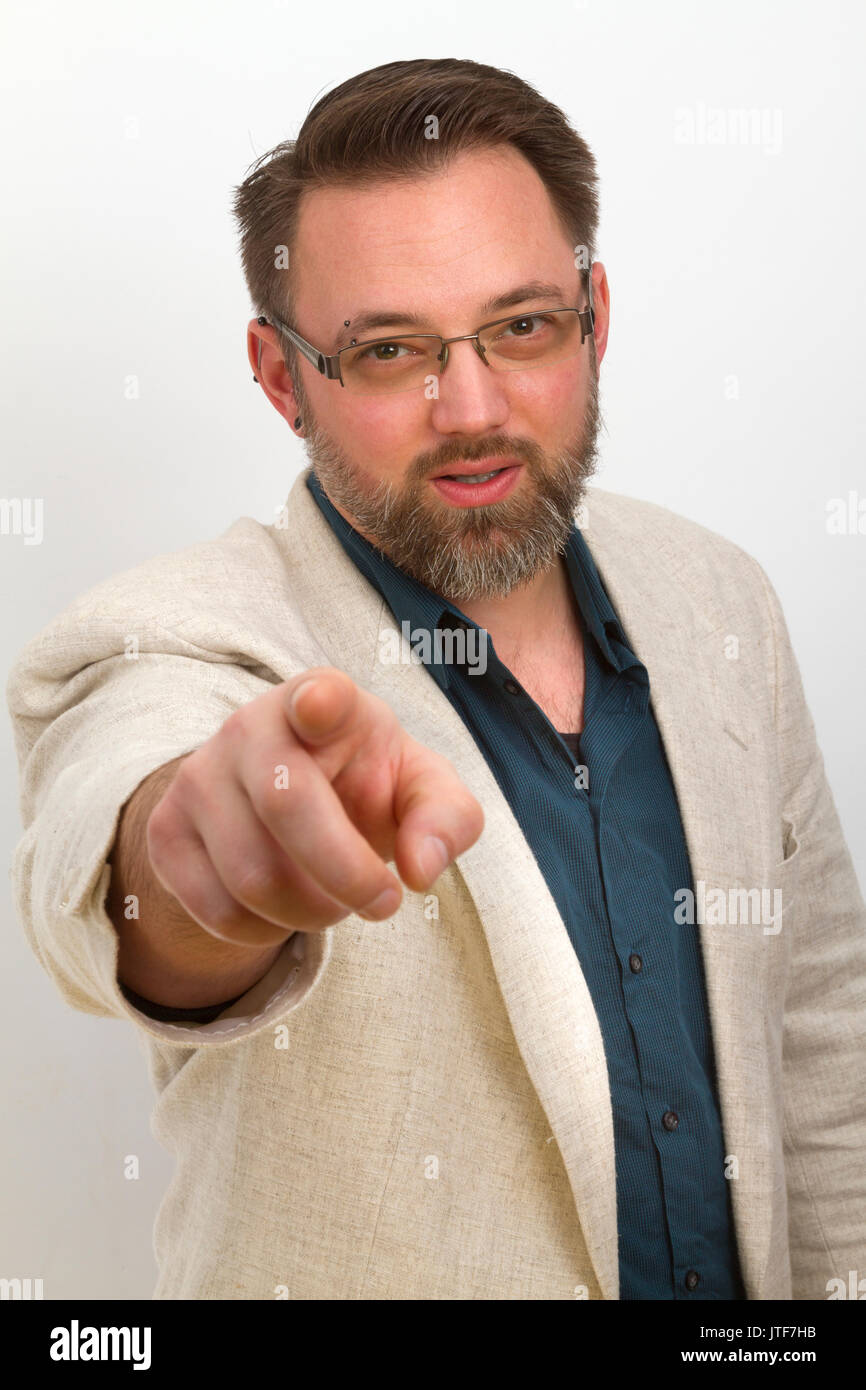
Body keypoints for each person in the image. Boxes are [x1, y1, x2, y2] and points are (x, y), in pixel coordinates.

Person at [8, 57, 866, 1301]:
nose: (468, 407)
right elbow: (121, 859)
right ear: (279, 373)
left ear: (595, 314)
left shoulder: (717, 596)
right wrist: (199, 878)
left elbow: (821, 1035)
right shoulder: (176, 635)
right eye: (388, 349)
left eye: (521, 327)